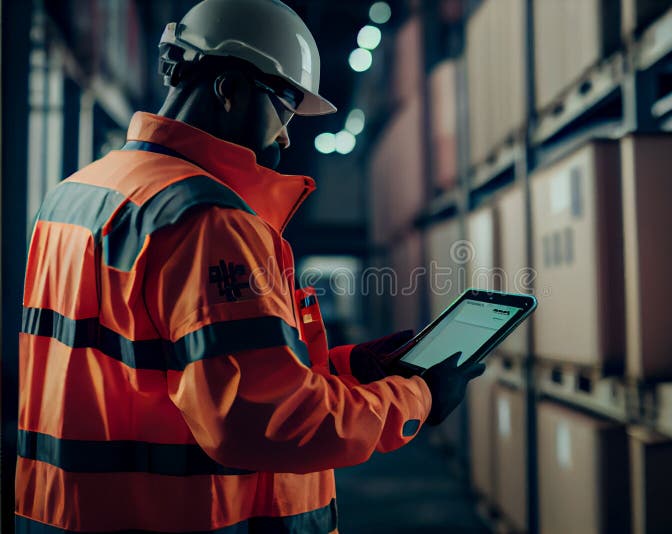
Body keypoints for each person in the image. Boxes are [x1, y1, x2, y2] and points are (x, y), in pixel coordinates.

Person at [16, 1, 485, 532]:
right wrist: (415, 396)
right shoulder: (206, 218)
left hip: (64, 513)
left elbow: (173, 369)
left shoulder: (74, 196)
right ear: (230, 87)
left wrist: (355, 370)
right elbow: (268, 420)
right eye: (284, 108)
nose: (286, 136)